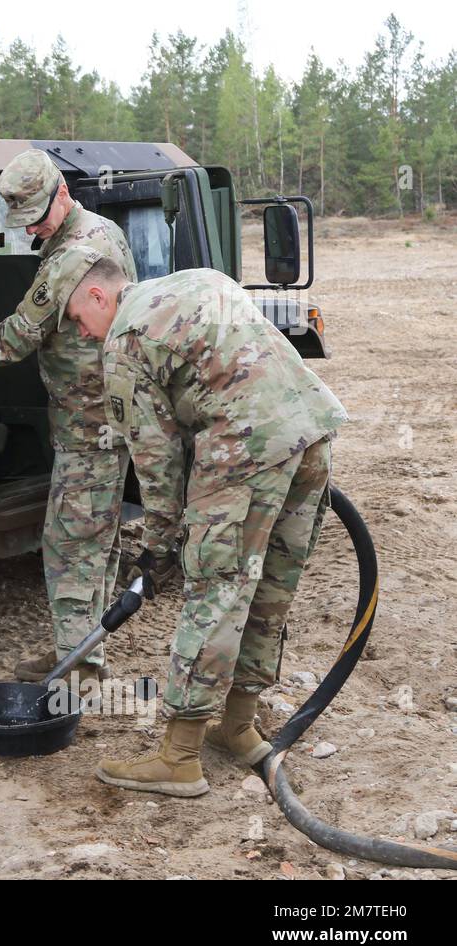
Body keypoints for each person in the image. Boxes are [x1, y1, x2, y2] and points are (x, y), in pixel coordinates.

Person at [49, 245, 348, 796]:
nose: (82, 334)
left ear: (97, 295)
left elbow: (156, 464)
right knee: (268, 589)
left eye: (75, 319)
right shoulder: (196, 279)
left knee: (215, 592)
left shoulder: (123, 342)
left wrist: (160, 546)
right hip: (311, 433)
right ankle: (237, 727)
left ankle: (180, 757)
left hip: (244, 450)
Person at [0, 149, 137, 692]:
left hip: (88, 428)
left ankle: (78, 674)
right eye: (25, 221)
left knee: (69, 548)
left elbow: (15, 338)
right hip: (109, 419)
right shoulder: (104, 231)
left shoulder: (72, 258)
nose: (34, 229)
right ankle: (83, 653)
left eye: (40, 216)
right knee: (99, 541)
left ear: (63, 191)